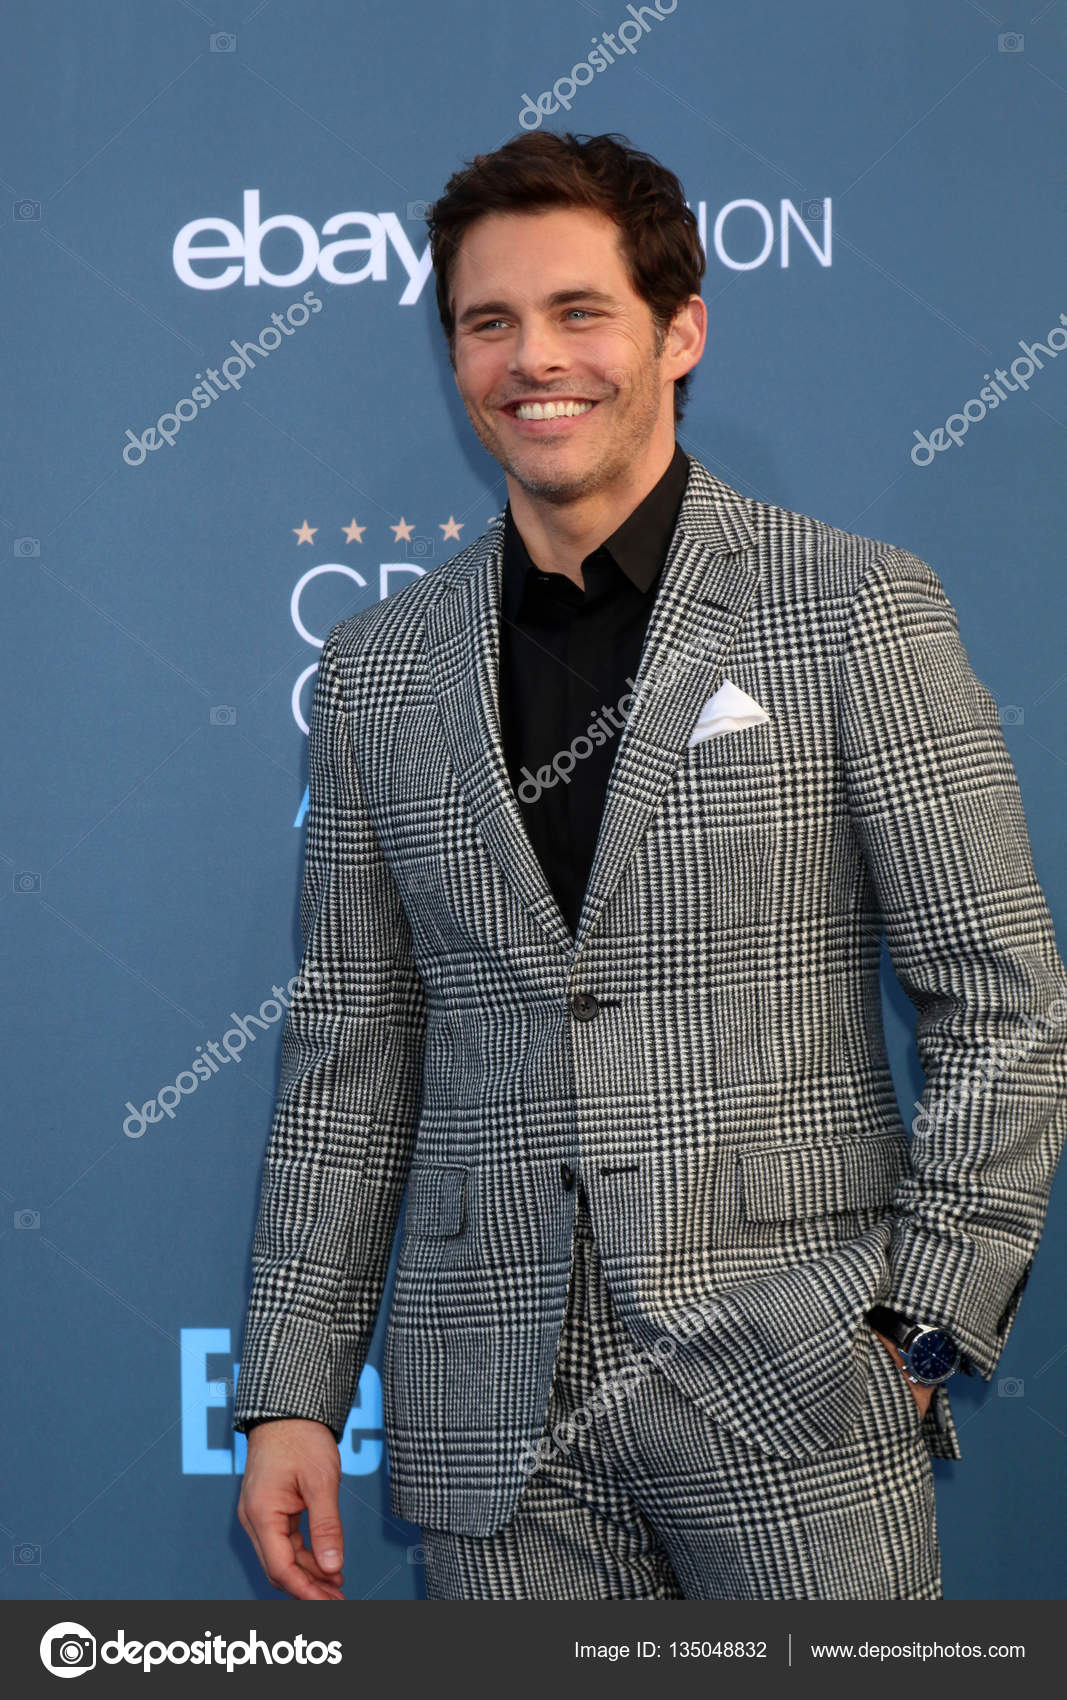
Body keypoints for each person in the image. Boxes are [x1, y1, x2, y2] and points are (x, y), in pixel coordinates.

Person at [233, 130, 1067, 1601]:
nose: (531, 359)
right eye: (488, 322)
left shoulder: (851, 608)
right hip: (495, 1423)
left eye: (578, 312)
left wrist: (924, 1327)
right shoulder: (376, 673)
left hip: (799, 1395)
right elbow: (354, 1053)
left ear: (679, 331)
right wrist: (294, 1388)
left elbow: (1006, 1000)